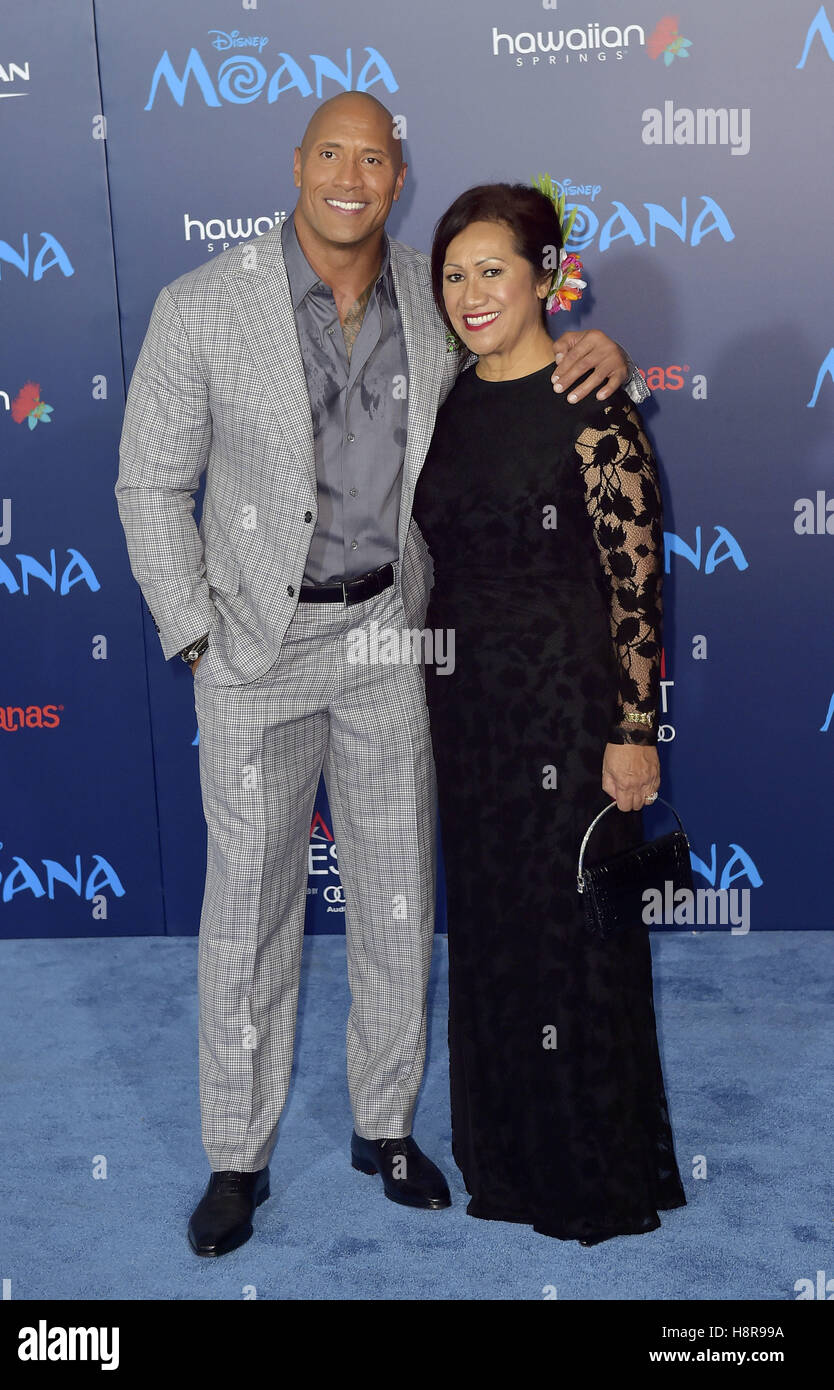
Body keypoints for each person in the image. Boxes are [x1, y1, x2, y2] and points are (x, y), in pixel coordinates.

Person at [116, 93, 646, 1258]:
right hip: (254, 648)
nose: (350, 175)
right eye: (330, 154)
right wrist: (194, 633)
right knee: (247, 911)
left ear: (397, 175)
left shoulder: (430, 291)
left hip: (390, 645)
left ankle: (384, 1125)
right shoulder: (200, 305)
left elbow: (521, 323)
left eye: (373, 157)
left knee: (397, 896)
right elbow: (147, 484)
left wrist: (597, 341)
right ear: (296, 165)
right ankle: (235, 1157)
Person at [413, 182, 687, 1244]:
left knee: (579, 932)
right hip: (466, 709)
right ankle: (508, 1158)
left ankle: (589, 1168)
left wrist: (634, 730)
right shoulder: (441, 400)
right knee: (491, 928)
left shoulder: (593, 402)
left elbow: (635, 583)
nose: (472, 292)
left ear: (543, 276)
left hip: (571, 708)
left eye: (492, 269)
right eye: (452, 273)